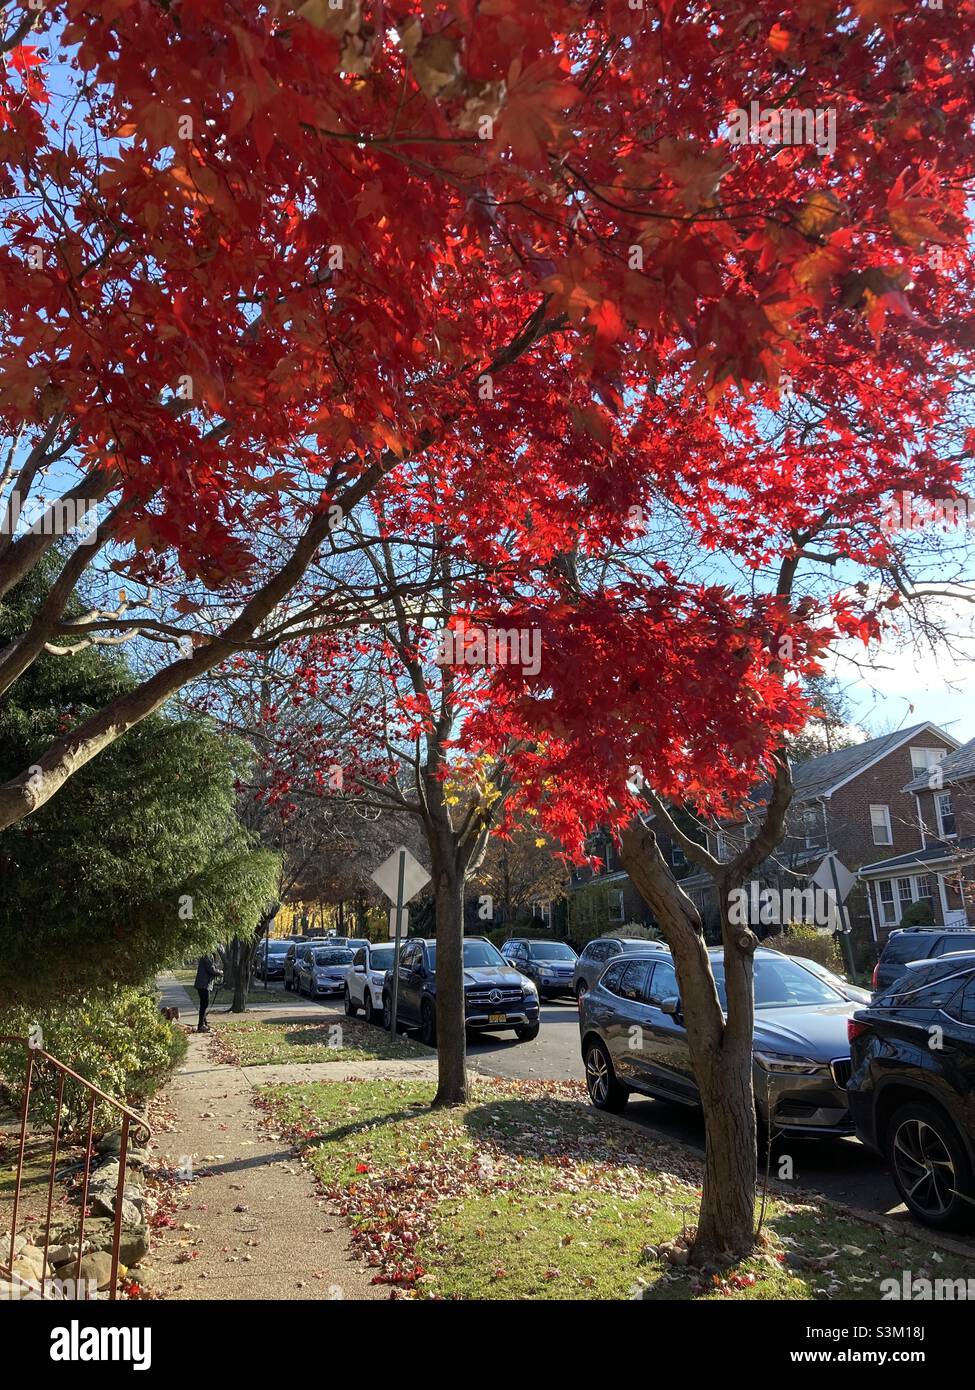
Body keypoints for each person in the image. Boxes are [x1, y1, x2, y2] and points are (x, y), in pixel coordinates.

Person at [194, 954, 219, 1033]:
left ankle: (203, 1023)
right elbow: (211, 969)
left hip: (202, 984)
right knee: (204, 1004)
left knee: (204, 1004)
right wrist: (219, 972)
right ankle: (201, 1025)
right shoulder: (207, 956)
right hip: (204, 984)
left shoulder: (207, 955)